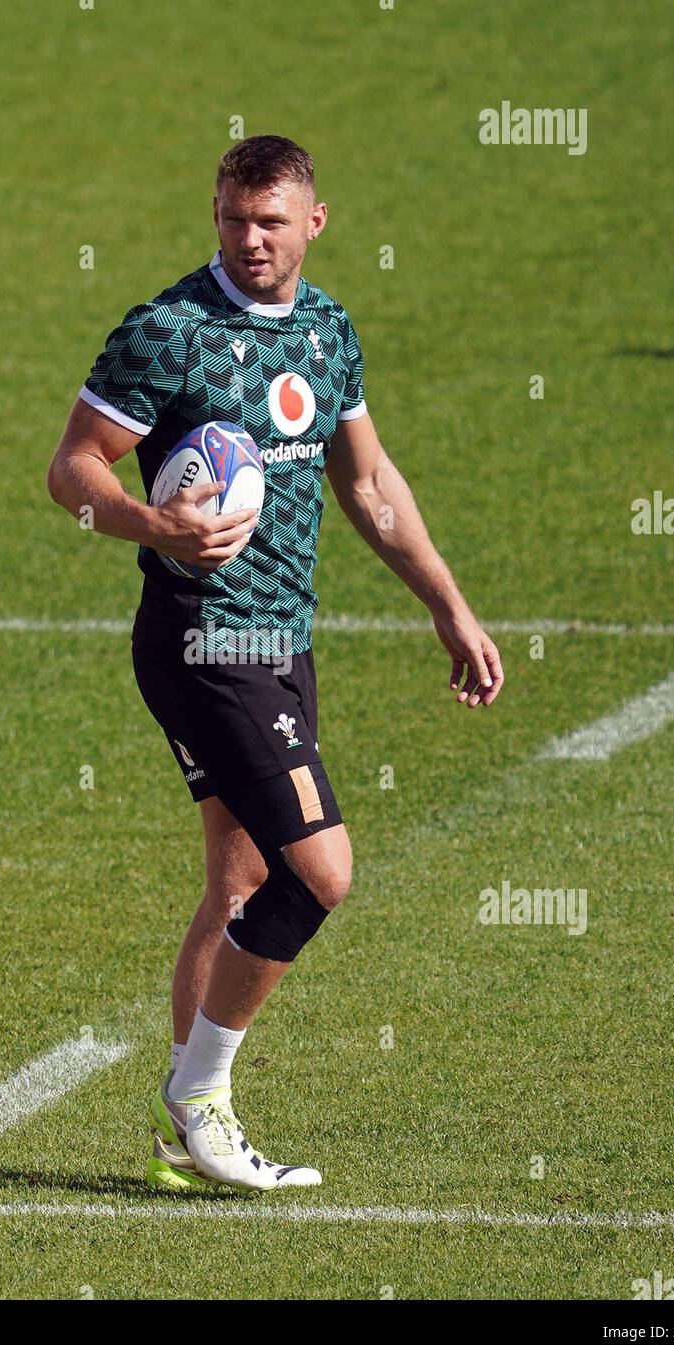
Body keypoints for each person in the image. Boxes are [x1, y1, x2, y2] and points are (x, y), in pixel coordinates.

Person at [48, 134, 504, 1193]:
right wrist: (145, 522)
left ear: (313, 222)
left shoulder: (327, 328)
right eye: (229, 217)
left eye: (267, 221)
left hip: (282, 644)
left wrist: (448, 604)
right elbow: (68, 467)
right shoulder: (170, 334)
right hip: (204, 645)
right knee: (321, 872)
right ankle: (198, 1098)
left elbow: (367, 482)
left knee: (241, 875)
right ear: (214, 213)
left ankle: (183, 1131)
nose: (247, 239)